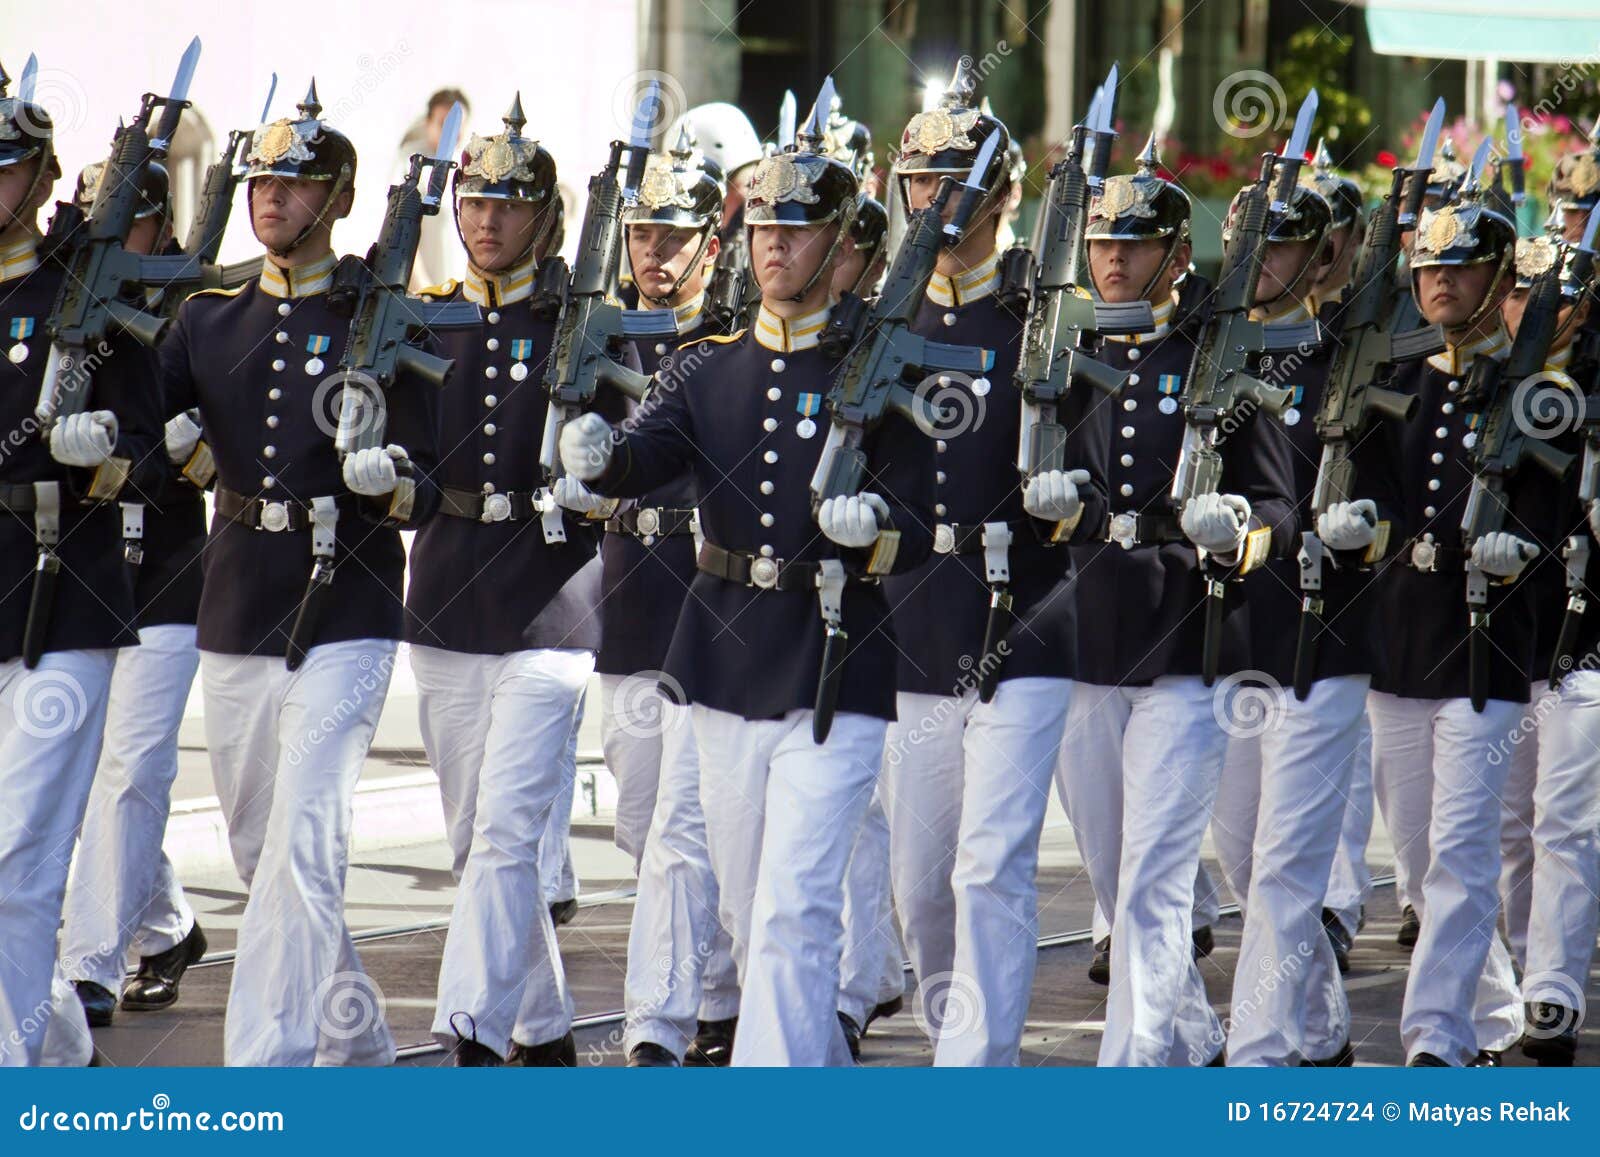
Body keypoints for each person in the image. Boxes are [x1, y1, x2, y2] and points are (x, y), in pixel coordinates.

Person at [559, 114, 935, 1065]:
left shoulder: (877, 371)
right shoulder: (711, 366)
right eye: (764, 227)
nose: (775, 244)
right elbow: (648, 454)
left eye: (797, 229)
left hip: (831, 666)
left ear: (842, 243)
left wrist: (879, 527)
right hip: (722, 663)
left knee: (796, 908)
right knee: (741, 901)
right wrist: (598, 458)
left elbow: (920, 509)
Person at [159, 82, 441, 1065]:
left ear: (339, 199)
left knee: (302, 841)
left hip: (350, 600)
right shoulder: (206, 321)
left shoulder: (388, 317)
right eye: (262, 182)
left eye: (296, 183)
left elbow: (436, 474)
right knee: (257, 847)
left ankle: (267, 1078)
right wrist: (158, 442)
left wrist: (393, 478)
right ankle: (355, 1041)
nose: (270, 198)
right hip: (238, 598)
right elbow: (144, 445)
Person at [875, 81, 1109, 1066]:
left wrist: (1078, 501)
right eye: (920, 180)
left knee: (989, 867)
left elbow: (1108, 473)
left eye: (955, 182)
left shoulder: (1048, 319)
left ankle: (978, 1070)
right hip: (915, 616)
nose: (936, 201)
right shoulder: (876, 320)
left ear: (1004, 196)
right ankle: (951, 1029)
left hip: (1028, 617)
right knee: (921, 877)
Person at [1051, 134, 1295, 1066]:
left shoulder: (1215, 355)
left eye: (1134, 244)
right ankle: (1186, 1029)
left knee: (1154, 871)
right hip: (1081, 633)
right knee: (1116, 868)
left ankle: (1136, 1067)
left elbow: (1276, 500)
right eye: (1102, 243)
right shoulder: (1064, 350)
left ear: (1175, 256)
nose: (1113, 258)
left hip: (1186, 634)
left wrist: (1239, 526)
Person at [405, 94, 623, 1066]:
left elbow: (639, 450)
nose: (487, 220)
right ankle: (543, 1026)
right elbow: (398, 453)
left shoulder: (585, 323)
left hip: (553, 603)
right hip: (447, 591)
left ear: (545, 214)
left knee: (505, 830)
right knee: (472, 839)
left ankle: (473, 1027)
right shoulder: (430, 321)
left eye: (508, 204)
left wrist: (598, 459)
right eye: (474, 201)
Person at [1206, 180, 1402, 1065]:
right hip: (1235, 638)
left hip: (1328, 635)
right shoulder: (1213, 352)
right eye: (1247, 240)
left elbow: (1403, 485)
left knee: (1288, 863)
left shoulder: (1357, 356)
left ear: (1322, 259)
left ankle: (1260, 1052)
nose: (1257, 261)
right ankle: (1322, 1027)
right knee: (1248, 859)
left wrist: (1370, 524)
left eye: (1278, 245)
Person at [0, 64, 163, 1067]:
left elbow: (153, 445)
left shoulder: (89, 294)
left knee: (17, 855)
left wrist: (99, 447)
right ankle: (56, 1039)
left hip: (63, 593)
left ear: (43, 173)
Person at [1367, 170, 1543, 1066]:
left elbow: (1555, 507)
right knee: (1419, 852)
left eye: (1463, 268)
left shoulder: (1530, 386)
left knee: (1463, 848)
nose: (1441, 282)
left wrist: (1528, 547)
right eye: (1430, 266)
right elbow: (1362, 486)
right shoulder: (1395, 375)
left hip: (1488, 645)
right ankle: (1494, 1006)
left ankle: (1436, 1032)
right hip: (1398, 643)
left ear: (1499, 273)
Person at [601, 134, 741, 1067]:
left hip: (712, 598)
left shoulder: (732, 343)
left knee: (693, 824)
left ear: (709, 245)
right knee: (642, 816)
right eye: (642, 232)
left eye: (673, 234)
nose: (654, 251)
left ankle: (675, 1012)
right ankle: (716, 984)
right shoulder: (603, 333)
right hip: (629, 597)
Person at [62, 160, 209, 1027]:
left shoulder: (193, 308)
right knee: (90, 776)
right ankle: (168, 924)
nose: (105, 235)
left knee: (133, 768)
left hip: (170, 568)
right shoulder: (75, 305)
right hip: (86, 568)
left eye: (124, 219)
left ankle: (89, 964)